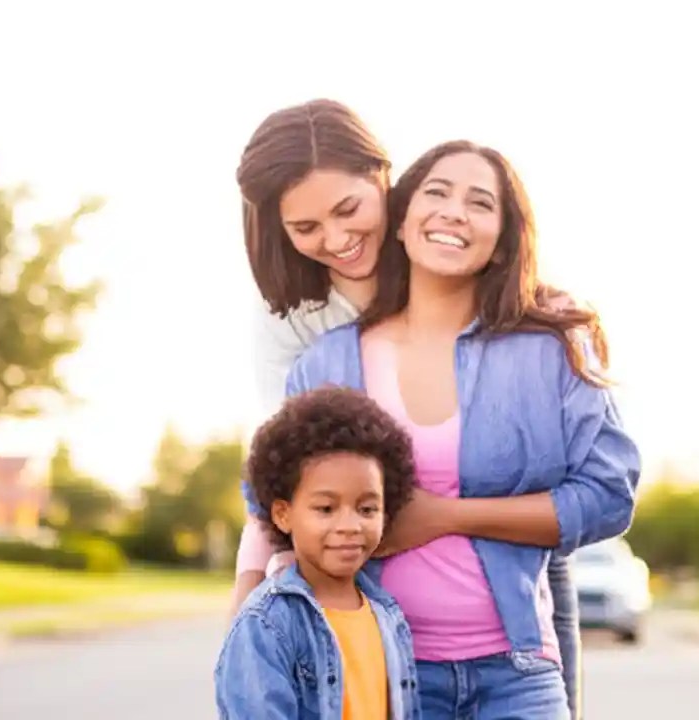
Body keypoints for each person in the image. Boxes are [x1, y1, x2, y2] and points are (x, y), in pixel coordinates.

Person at [233, 99, 588, 717]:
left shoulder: (439, 248)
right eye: (307, 228)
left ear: (384, 180)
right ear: (277, 228)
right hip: (377, 563)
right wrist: (249, 597)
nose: (338, 240)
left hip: (506, 565)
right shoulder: (293, 322)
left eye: (349, 209)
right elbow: (282, 468)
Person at [215, 386, 421, 720]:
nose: (350, 525)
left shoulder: (387, 615)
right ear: (284, 515)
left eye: (367, 509)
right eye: (326, 508)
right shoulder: (265, 624)